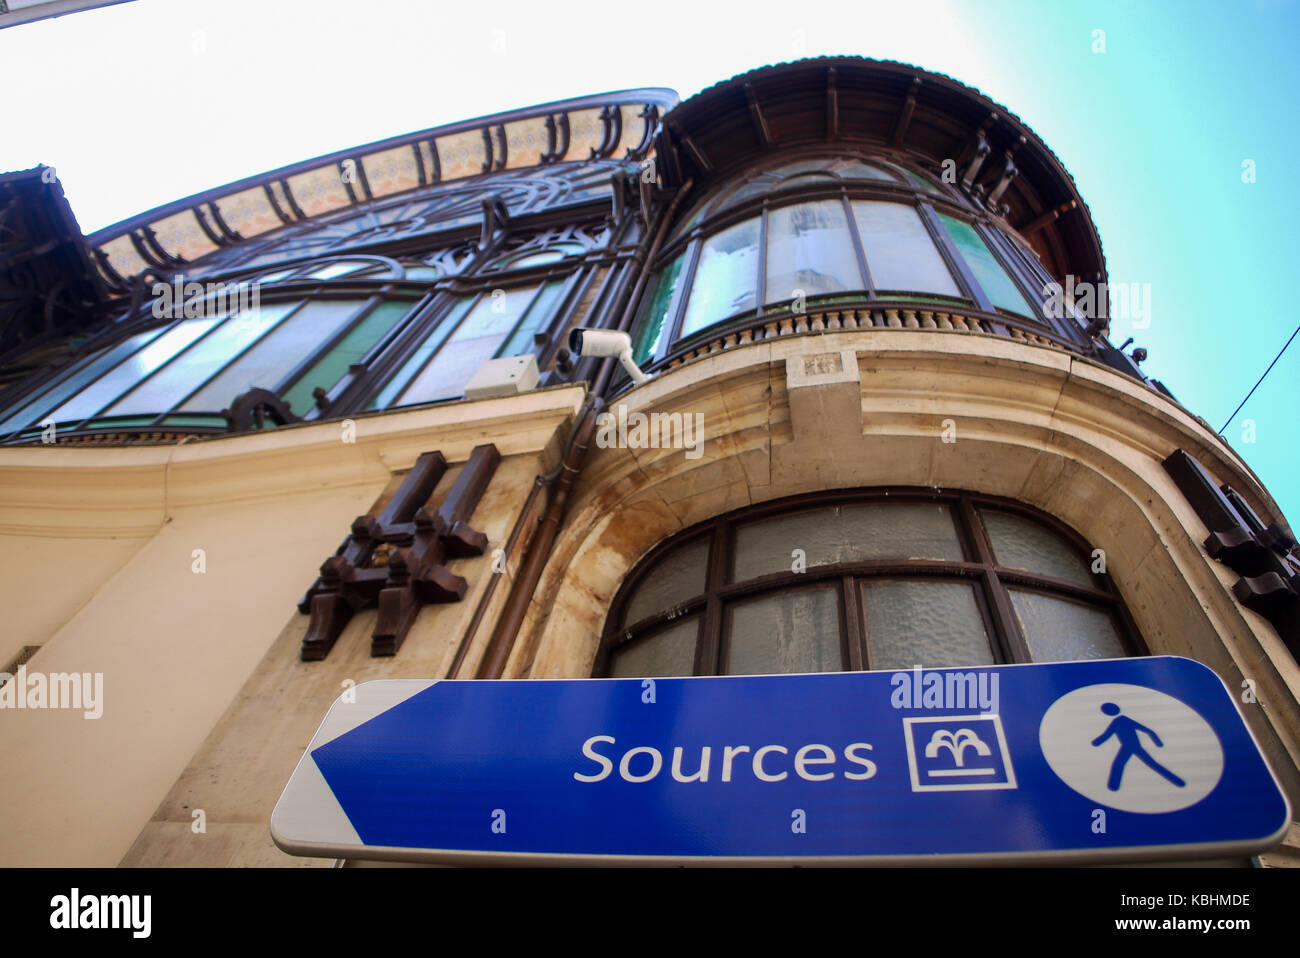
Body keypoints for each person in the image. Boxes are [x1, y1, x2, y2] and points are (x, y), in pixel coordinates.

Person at [1090, 702, 1186, 791]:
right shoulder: (1119, 721)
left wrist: (1158, 743)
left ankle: (1113, 786)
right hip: (1130, 746)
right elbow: (1107, 734)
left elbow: (1147, 730)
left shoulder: (1121, 720)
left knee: (1119, 764)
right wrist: (1096, 742)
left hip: (1130, 746)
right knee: (1149, 763)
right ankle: (1177, 781)